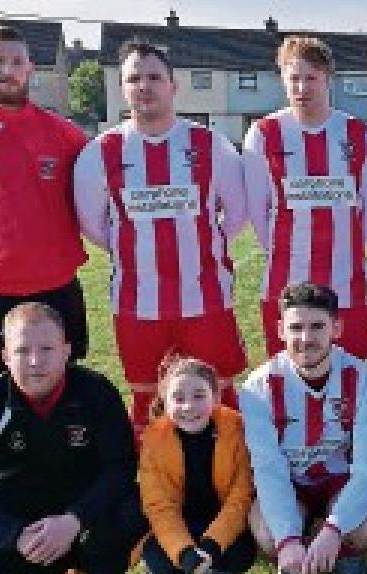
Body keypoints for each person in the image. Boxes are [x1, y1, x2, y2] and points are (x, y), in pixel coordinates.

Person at [74, 41, 248, 434]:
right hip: (138, 304)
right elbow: (93, 225)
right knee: (148, 399)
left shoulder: (210, 145)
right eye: (134, 78)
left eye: (154, 77)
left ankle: (233, 480)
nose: (144, 86)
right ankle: (157, 487)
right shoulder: (101, 152)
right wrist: (135, 250)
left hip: (207, 298)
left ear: (174, 86)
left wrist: (200, 248)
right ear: (122, 87)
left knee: (217, 393)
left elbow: (235, 215)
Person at [0, 303, 145, 574]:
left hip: (83, 505)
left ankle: (98, 573)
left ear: (66, 351)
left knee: (137, 504)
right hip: (23, 508)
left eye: (46, 348)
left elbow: (121, 468)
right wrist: (14, 534)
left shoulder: (96, 392)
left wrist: (74, 519)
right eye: (22, 350)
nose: (35, 361)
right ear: (5, 356)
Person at [0, 26, 90, 390]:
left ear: (31, 68)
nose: (7, 70)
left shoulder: (66, 135)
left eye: (16, 61)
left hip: (55, 287)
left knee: (64, 402)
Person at [243, 35, 367, 359]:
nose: (302, 87)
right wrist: (287, 251)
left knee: (349, 374)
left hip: (346, 283)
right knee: (288, 375)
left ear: (327, 80)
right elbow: (258, 210)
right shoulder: (264, 134)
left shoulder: (358, 135)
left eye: (311, 78)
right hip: (285, 280)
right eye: (294, 78)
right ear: (282, 79)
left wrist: (347, 251)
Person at [239, 283, 367, 574]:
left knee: (360, 530)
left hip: (339, 481)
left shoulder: (363, 380)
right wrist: (287, 539)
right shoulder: (258, 388)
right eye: (296, 327)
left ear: (336, 327)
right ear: (280, 330)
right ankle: (298, 550)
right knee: (268, 535)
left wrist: (334, 529)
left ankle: (347, 554)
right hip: (291, 483)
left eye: (317, 326)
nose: (306, 339)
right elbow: (268, 468)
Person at [138, 356, 257, 574]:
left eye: (199, 395)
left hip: (220, 519)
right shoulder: (153, 440)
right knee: (156, 554)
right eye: (178, 398)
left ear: (215, 397)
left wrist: (212, 545)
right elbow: (159, 506)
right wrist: (184, 552)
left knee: (241, 550)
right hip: (179, 522)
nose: (189, 406)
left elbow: (241, 495)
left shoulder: (236, 429)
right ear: (165, 402)